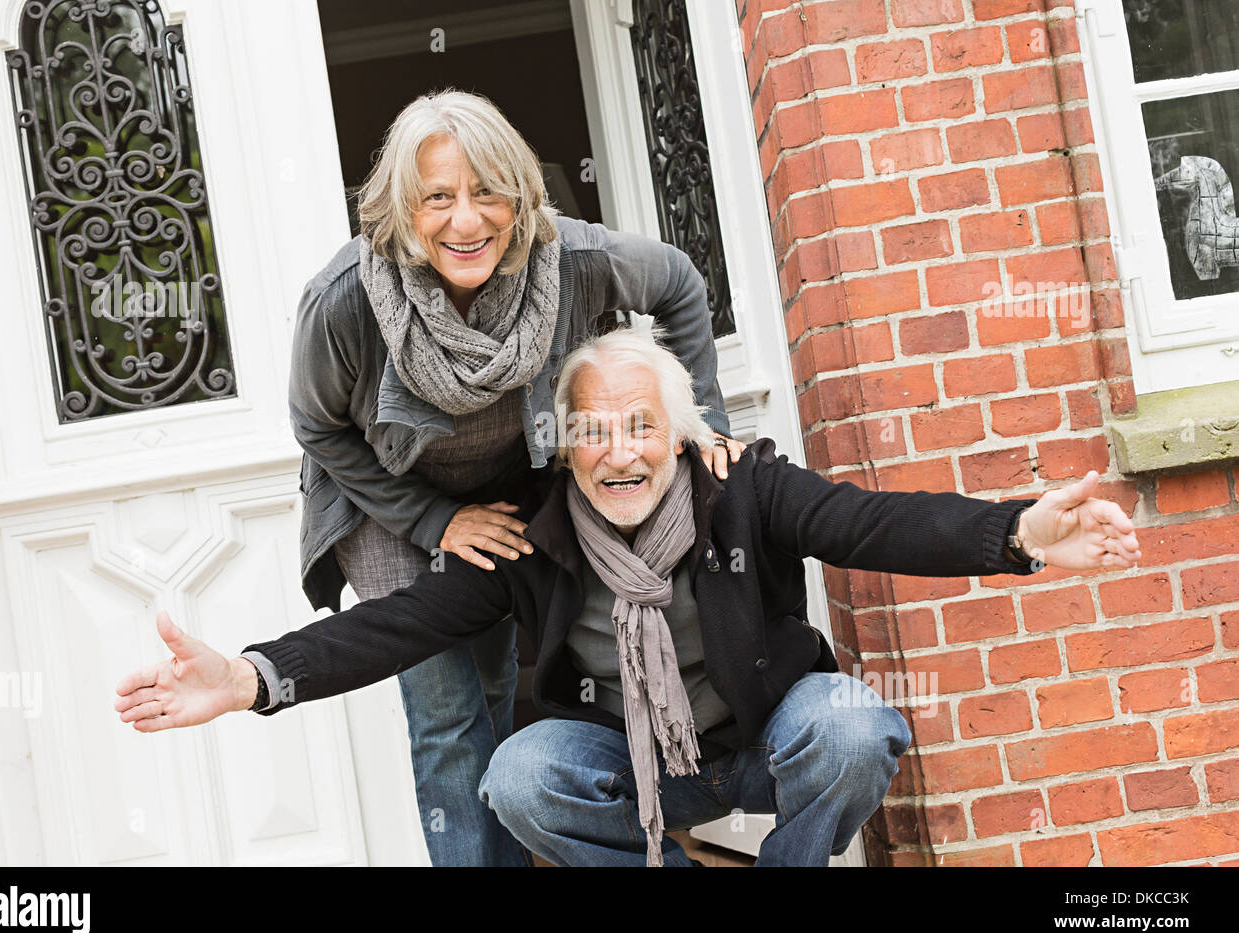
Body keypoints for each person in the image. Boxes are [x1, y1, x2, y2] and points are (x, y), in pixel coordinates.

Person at [115, 329, 1142, 866]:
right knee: (520, 775)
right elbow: (398, 624)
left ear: (682, 433)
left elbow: (871, 523)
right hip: (641, 776)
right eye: (594, 431)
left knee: (852, 724)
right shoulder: (532, 535)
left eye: (642, 427)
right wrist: (252, 677)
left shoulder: (744, 488)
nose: (620, 453)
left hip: (767, 743)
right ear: (563, 445)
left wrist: (1017, 533)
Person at [288, 88, 743, 866]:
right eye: (438, 197)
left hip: (502, 486)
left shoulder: (572, 260)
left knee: (494, 682)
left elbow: (678, 284)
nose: (466, 221)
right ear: (402, 206)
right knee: (444, 705)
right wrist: (433, 521)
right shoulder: (346, 301)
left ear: (521, 195)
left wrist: (703, 423)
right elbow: (315, 425)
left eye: (488, 192)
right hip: (388, 501)